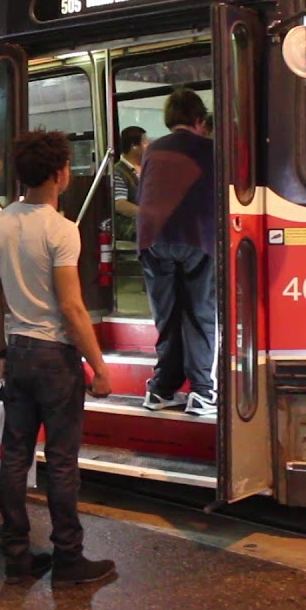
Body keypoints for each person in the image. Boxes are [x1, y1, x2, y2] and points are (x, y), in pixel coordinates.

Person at [0, 129, 117, 587]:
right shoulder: (62, 230)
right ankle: (69, 559)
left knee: (15, 456)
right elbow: (72, 307)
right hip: (55, 357)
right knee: (61, 460)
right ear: (61, 174)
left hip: (17, 351)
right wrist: (98, 365)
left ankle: (17, 556)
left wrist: (0, 350)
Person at [137, 88, 217, 416]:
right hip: (196, 236)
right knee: (200, 314)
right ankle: (203, 392)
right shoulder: (210, 148)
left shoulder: (152, 149)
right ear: (199, 120)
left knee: (167, 317)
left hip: (152, 239)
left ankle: (161, 389)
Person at [113, 126, 147, 242]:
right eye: (145, 142)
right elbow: (120, 204)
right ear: (134, 146)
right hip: (129, 224)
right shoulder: (118, 171)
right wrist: (148, 214)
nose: (148, 146)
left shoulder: (146, 168)